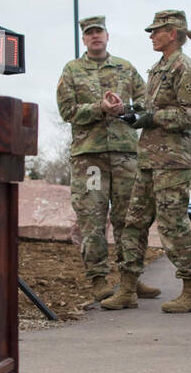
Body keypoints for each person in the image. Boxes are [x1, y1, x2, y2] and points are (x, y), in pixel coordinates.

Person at [101, 10, 191, 315]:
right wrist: (125, 110)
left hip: (173, 160)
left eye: (156, 31)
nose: (150, 35)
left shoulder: (186, 68)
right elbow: (147, 111)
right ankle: (128, 289)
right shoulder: (158, 69)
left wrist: (151, 116)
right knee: (133, 223)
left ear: (172, 33)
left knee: (172, 225)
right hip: (148, 159)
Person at [55, 16, 149, 302]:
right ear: (84, 39)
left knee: (128, 218)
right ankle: (98, 279)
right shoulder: (72, 70)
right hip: (91, 159)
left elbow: (146, 106)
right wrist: (99, 108)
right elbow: (67, 111)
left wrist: (124, 109)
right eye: (89, 33)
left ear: (107, 36)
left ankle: (131, 279)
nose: (95, 36)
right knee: (93, 218)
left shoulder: (126, 68)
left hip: (124, 156)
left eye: (99, 32)